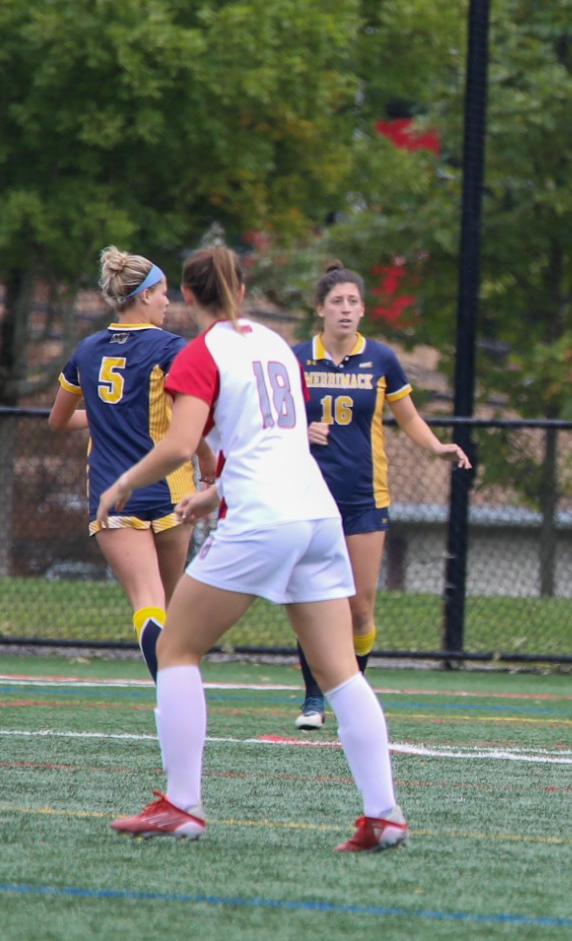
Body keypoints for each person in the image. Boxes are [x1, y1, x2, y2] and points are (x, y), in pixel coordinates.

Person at [102, 246, 406, 851]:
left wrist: (123, 483)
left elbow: (181, 444)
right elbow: (273, 442)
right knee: (341, 671)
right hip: (316, 515)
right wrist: (214, 496)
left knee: (177, 649)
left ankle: (181, 804)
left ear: (189, 296)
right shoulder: (275, 344)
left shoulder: (200, 353)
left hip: (266, 519)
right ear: (242, 286)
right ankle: (384, 814)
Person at [287, 261, 469, 730]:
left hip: (365, 496)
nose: (345, 310)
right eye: (336, 302)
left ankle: (352, 696)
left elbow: (407, 418)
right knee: (313, 599)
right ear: (320, 309)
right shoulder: (295, 358)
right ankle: (312, 700)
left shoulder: (381, 359)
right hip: (308, 495)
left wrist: (436, 448)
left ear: (363, 309)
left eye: (352, 302)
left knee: (359, 606)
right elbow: (271, 419)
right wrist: (299, 430)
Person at [48, 246, 208, 680]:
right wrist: (210, 468)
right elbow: (197, 423)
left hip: (111, 494)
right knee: (173, 602)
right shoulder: (172, 347)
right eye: (162, 294)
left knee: (147, 601)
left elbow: (58, 420)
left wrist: (99, 417)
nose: (167, 302)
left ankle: (170, 692)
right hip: (172, 488)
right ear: (143, 296)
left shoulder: (87, 349)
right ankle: (184, 688)